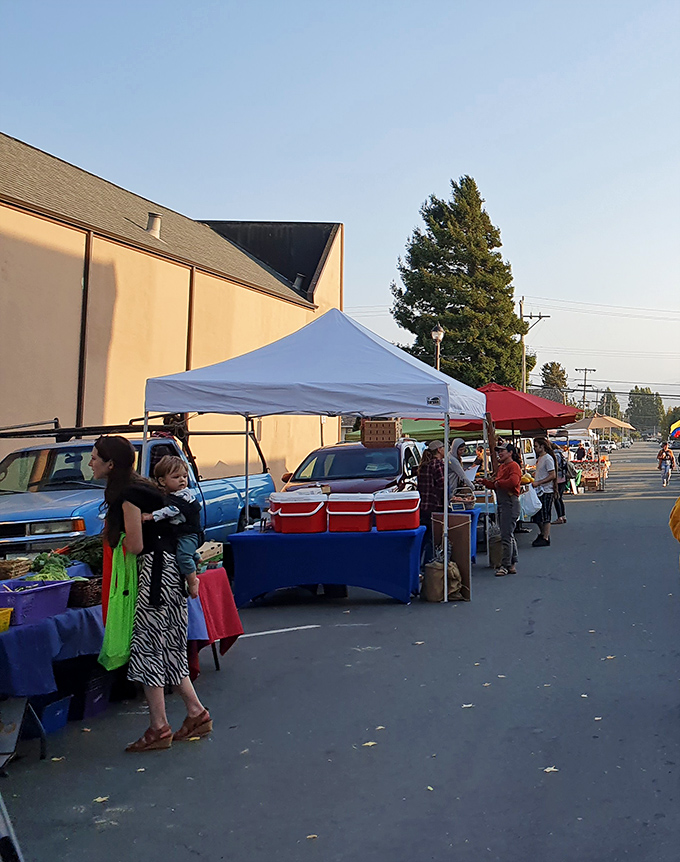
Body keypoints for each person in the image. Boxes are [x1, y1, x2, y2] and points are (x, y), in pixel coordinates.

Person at [89, 436, 212, 753]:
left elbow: (135, 545)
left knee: (148, 648)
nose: (90, 463)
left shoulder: (128, 495)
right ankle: (196, 713)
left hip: (154, 574)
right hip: (171, 571)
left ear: (110, 464)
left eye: (94, 458)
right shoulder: (141, 487)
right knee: (170, 645)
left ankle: (159, 727)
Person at [143, 456, 204, 594]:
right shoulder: (172, 495)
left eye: (184, 476)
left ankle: (193, 581)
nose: (182, 480)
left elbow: (172, 510)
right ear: (162, 481)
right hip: (181, 534)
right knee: (177, 547)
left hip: (190, 534)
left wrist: (151, 516)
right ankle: (195, 557)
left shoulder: (183, 495)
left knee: (183, 556)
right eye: (176, 477)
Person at [480, 444, 522, 576]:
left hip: (509, 502)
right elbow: (496, 485)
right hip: (503, 502)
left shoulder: (513, 466)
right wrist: (486, 483)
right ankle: (512, 562)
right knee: (508, 533)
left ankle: (505, 565)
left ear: (510, 453)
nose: (500, 453)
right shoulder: (502, 467)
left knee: (506, 535)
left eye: (502, 451)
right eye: (499, 451)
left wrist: (499, 483)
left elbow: (513, 481)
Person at [417, 440, 445, 565]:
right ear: (439, 449)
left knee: (423, 538)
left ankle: (417, 565)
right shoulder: (438, 464)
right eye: (444, 447)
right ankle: (428, 566)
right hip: (435, 505)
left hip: (423, 506)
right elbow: (443, 485)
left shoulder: (423, 465)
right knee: (432, 539)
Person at [531, 437, 557, 547]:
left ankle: (546, 537)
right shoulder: (540, 458)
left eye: (536, 446)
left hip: (546, 490)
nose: (535, 448)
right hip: (539, 490)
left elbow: (552, 475)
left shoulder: (547, 458)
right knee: (537, 515)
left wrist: (540, 482)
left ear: (542, 446)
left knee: (545, 514)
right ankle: (542, 533)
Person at [552, 446, 568, 524]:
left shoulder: (555, 455)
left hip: (557, 478)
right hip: (563, 477)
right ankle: (563, 516)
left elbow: (555, 467)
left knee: (556, 498)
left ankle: (560, 517)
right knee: (560, 498)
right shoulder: (561, 454)